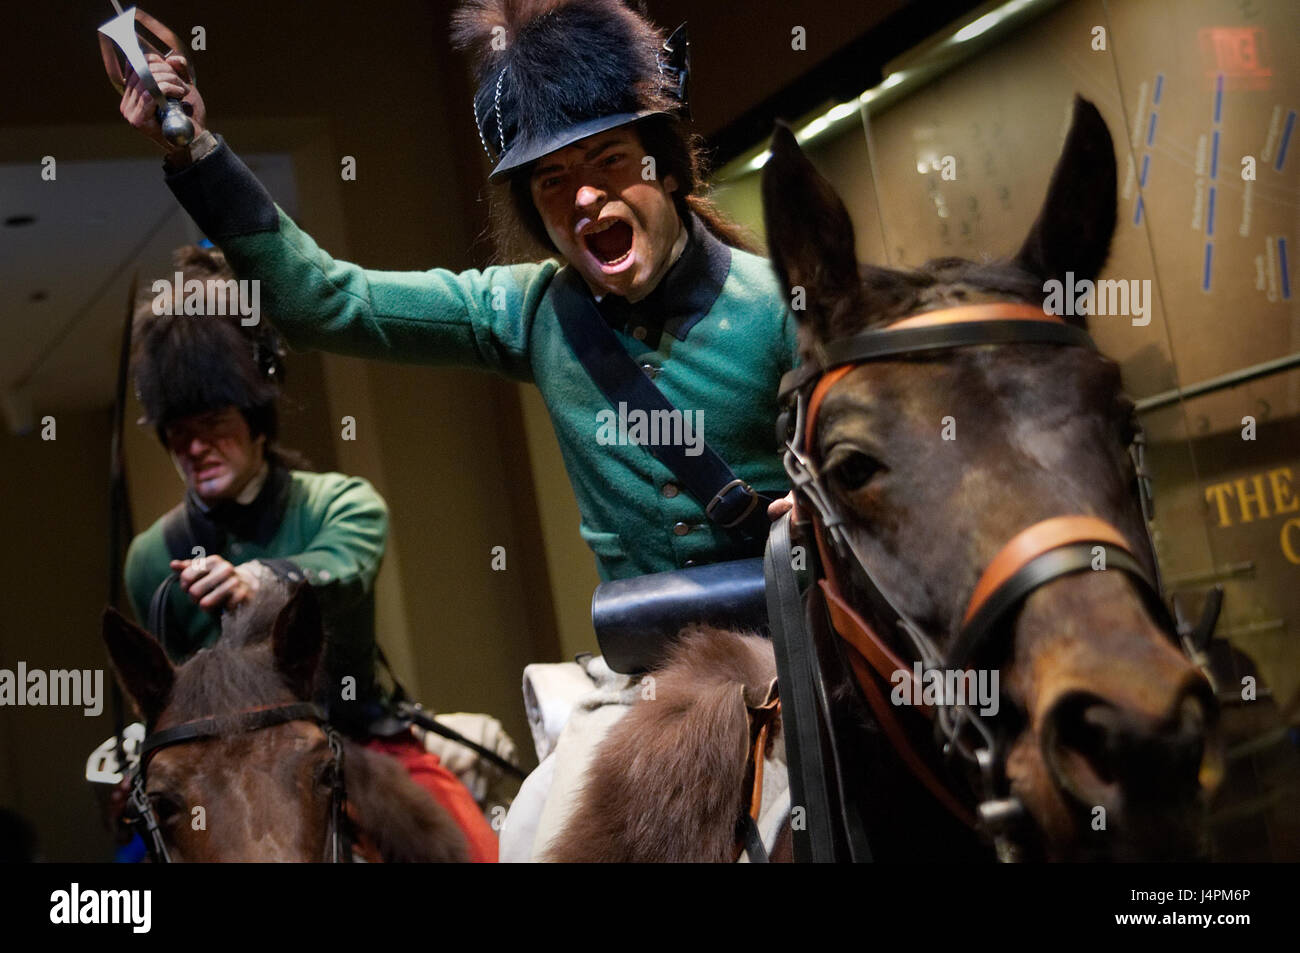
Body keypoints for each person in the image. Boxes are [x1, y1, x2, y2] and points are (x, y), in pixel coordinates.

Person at [118, 0, 796, 859]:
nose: (583, 195)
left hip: (793, 658)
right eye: (551, 181)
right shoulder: (530, 313)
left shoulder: (780, 307)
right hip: (649, 689)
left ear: (660, 164)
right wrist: (191, 146)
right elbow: (329, 298)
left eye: (607, 160)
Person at [123, 245, 499, 861]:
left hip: (353, 737)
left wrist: (259, 579)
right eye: (179, 433)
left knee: (472, 848)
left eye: (214, 422)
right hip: (215, 767)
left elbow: (344, 571)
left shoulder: (341, 503)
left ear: (256, 420)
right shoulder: (148, 559)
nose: (197, 446)